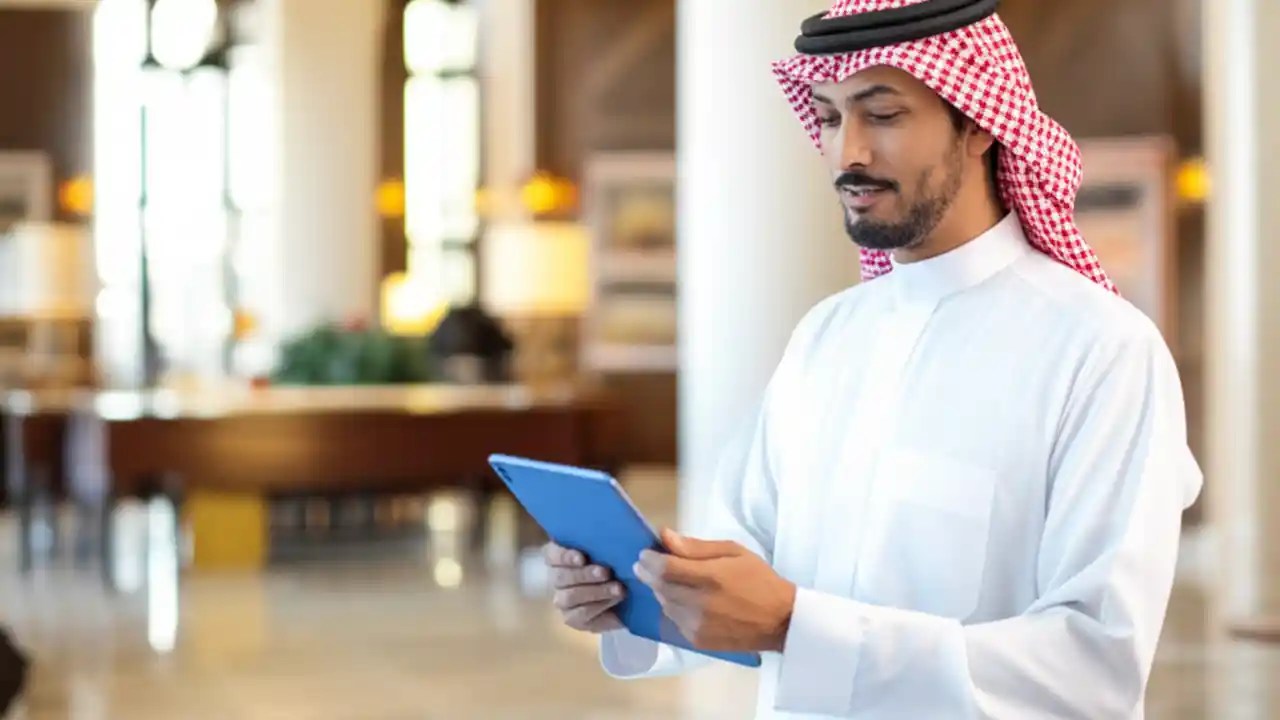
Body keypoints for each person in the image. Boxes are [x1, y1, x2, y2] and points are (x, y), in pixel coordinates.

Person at [543, 0, 1203, 717]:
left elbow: (1092, 665)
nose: (847, 152)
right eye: (828, 117)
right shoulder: (826, 336)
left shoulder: (1101, 351)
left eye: (882, 115)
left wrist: (797, 626)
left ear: (979, 121)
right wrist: (630, 597)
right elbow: (742, 558)